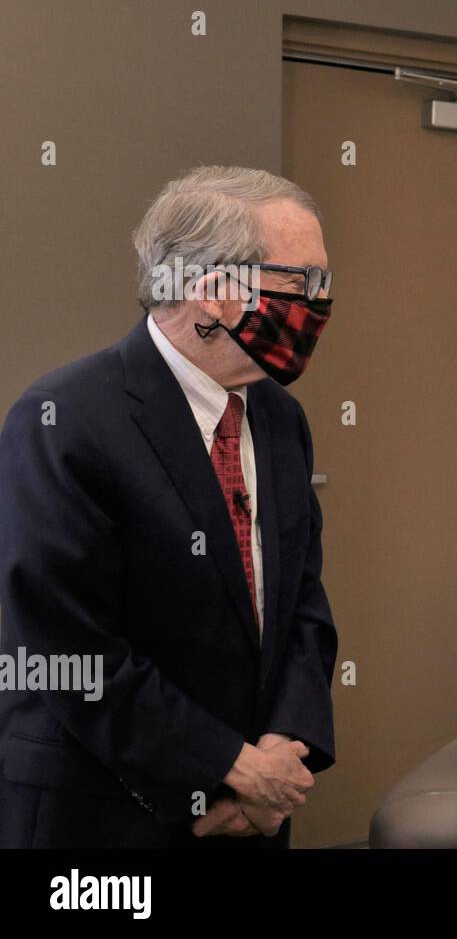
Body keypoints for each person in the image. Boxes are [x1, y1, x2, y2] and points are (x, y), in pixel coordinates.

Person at [0, 166, 339, 847]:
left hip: (252, 814)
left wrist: (280, 753)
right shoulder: (63, 418)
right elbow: (67, 648)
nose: (320, 304)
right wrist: (230, 767)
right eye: (300, 284)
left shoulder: (279, 418)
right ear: (212, 295)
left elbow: (302, 603)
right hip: (100, 814)